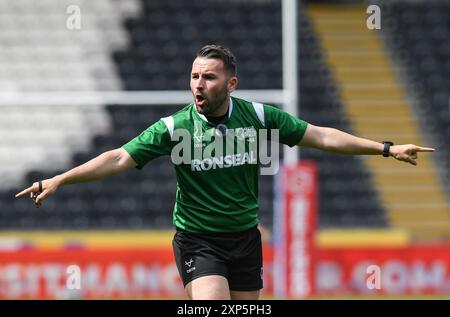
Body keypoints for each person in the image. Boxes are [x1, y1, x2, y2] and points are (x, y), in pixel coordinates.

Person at [16, 44, 435, 300]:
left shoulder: (257, 116)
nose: (199, 84)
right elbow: (117, 158)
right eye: (194, 77)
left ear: (230, 83)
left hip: (244, 240)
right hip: (199, 241)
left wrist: (385, 148)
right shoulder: (174, 127)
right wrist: (62, 178)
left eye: (209, 77)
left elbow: (321, 137)